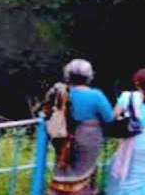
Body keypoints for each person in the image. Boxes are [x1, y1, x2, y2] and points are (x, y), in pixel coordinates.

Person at [45, 59, 113, 195]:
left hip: (63, 138)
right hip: (88, 138)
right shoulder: (96, 95)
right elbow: (109, 118)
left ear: (68, 75)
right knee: (84, 173)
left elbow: (48, 112)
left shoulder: (61, 92)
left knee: (64, 168)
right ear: (89, 76)